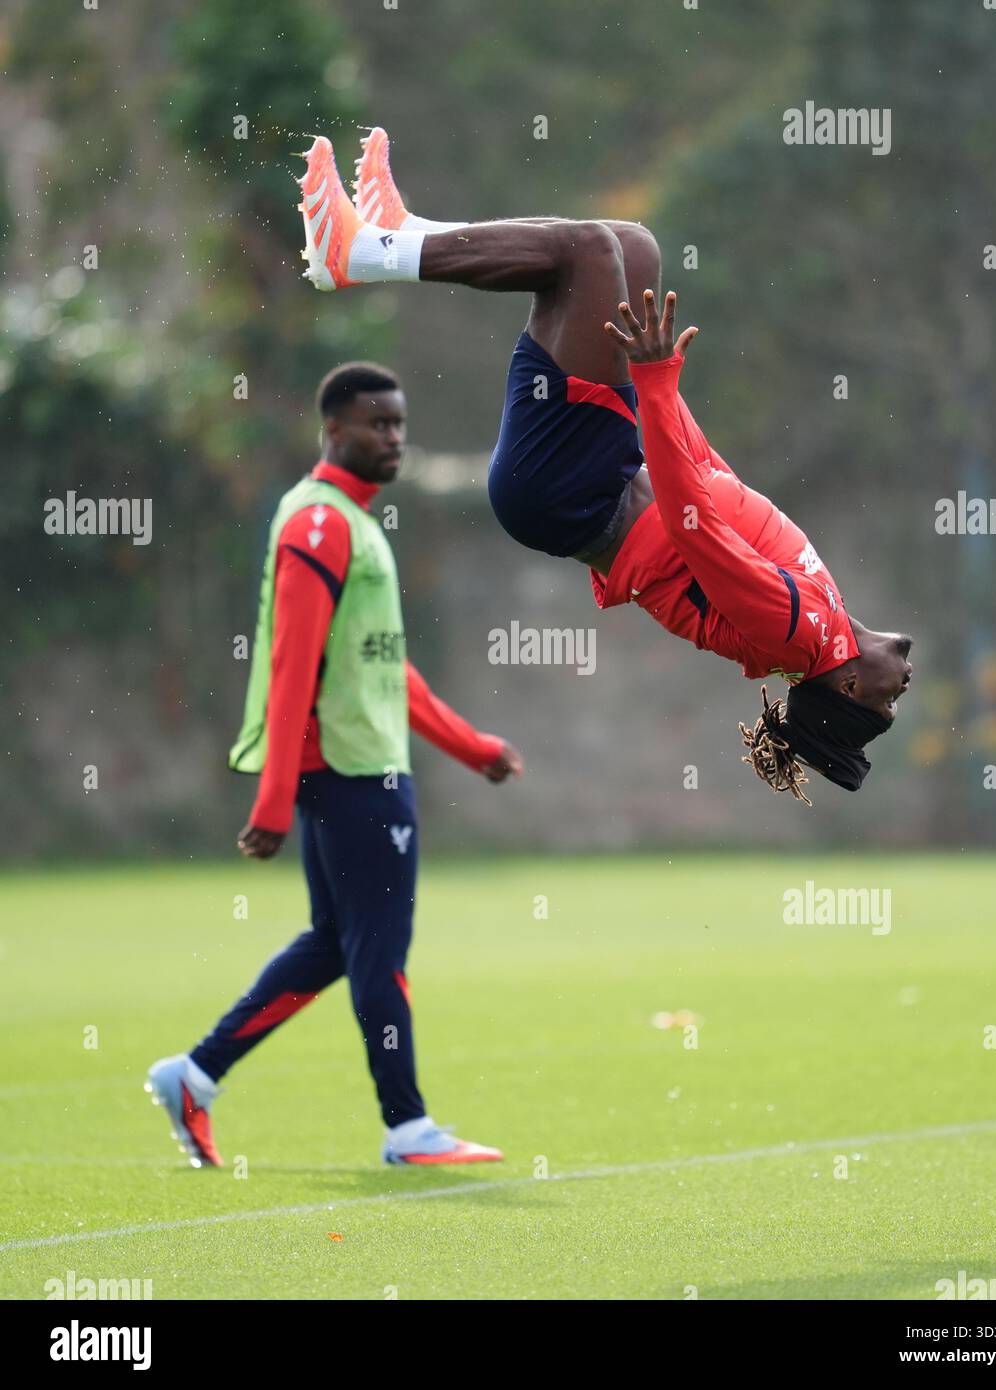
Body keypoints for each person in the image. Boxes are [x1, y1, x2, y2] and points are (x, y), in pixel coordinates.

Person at [294, 129, 914, 804]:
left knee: (587, 254)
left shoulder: (796, 638)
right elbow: (713, 480)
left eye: (887, 708)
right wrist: (660, 385)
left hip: (569, 491)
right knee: (632, 247)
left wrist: (654, 383)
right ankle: (401, 233)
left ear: (850, 687)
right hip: (599, 467)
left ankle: (358, 253)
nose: (904, 681)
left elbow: (694, 527)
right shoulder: (822, 613)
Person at [147, 360, 523, 1167]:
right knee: (379, 955)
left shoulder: (351, 521)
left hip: (364, 769)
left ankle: (194, 1076)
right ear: (333, 430)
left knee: (334, 944)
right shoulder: (318, 524)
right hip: (352, 775)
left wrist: (472, 747)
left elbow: (384, 669)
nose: (393, 437)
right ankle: (408, 1127)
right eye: (376, 424)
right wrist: (273, 803)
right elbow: (292, 666)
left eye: (399, 423)